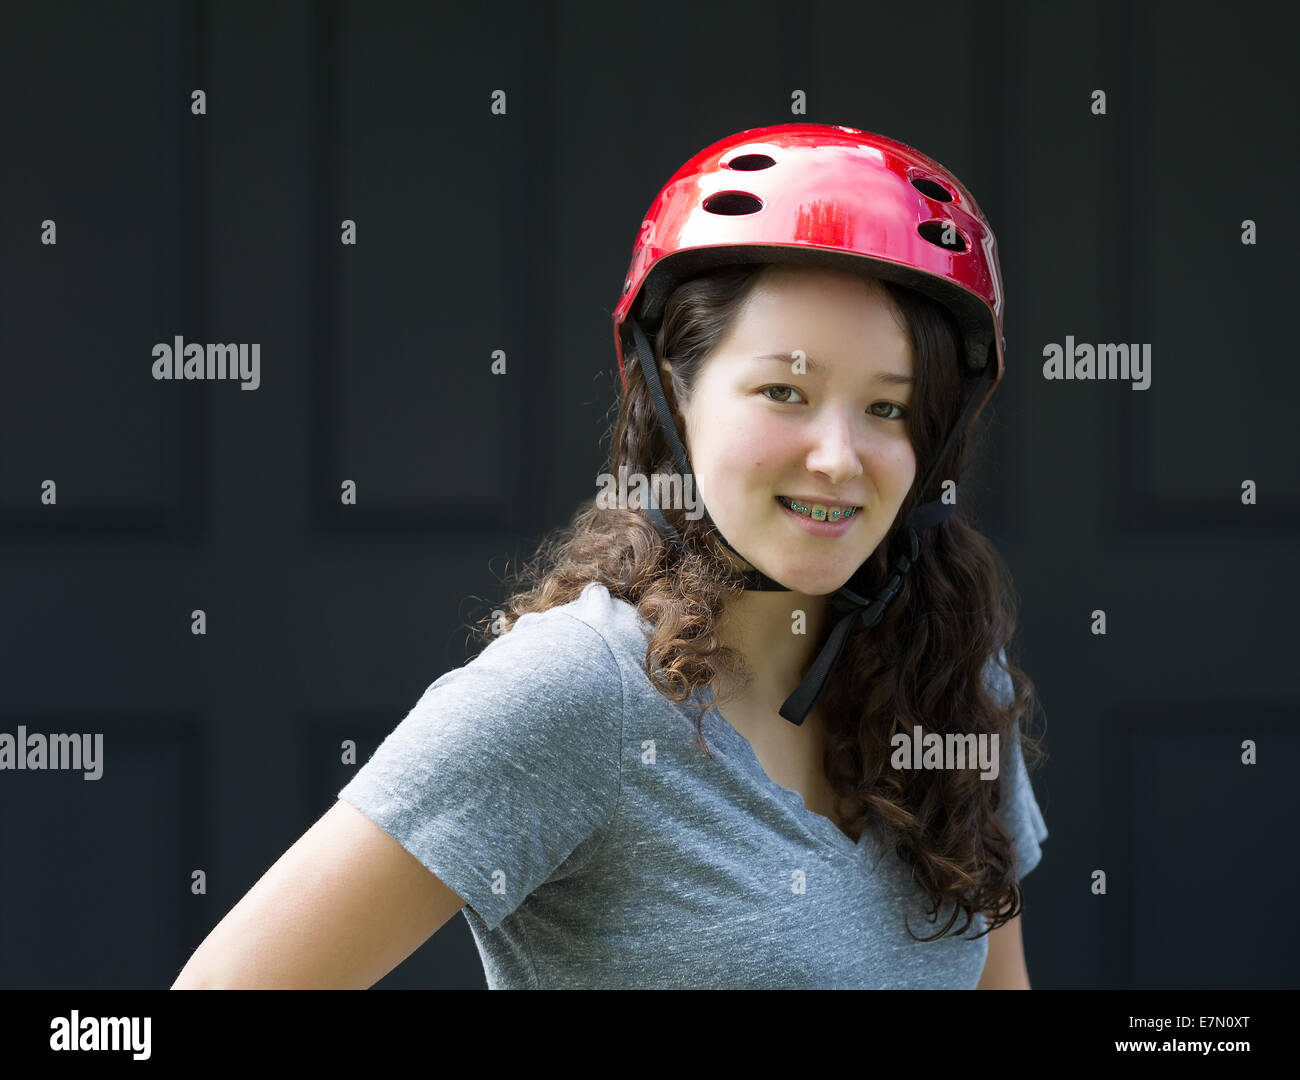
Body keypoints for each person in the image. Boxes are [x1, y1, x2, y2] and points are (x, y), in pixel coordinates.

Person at [171, 123, 1048, 991]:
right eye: (785, 391)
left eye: (888, 409)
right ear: (675, 393)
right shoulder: (578, 693)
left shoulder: (953, 674)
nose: (837, 457)